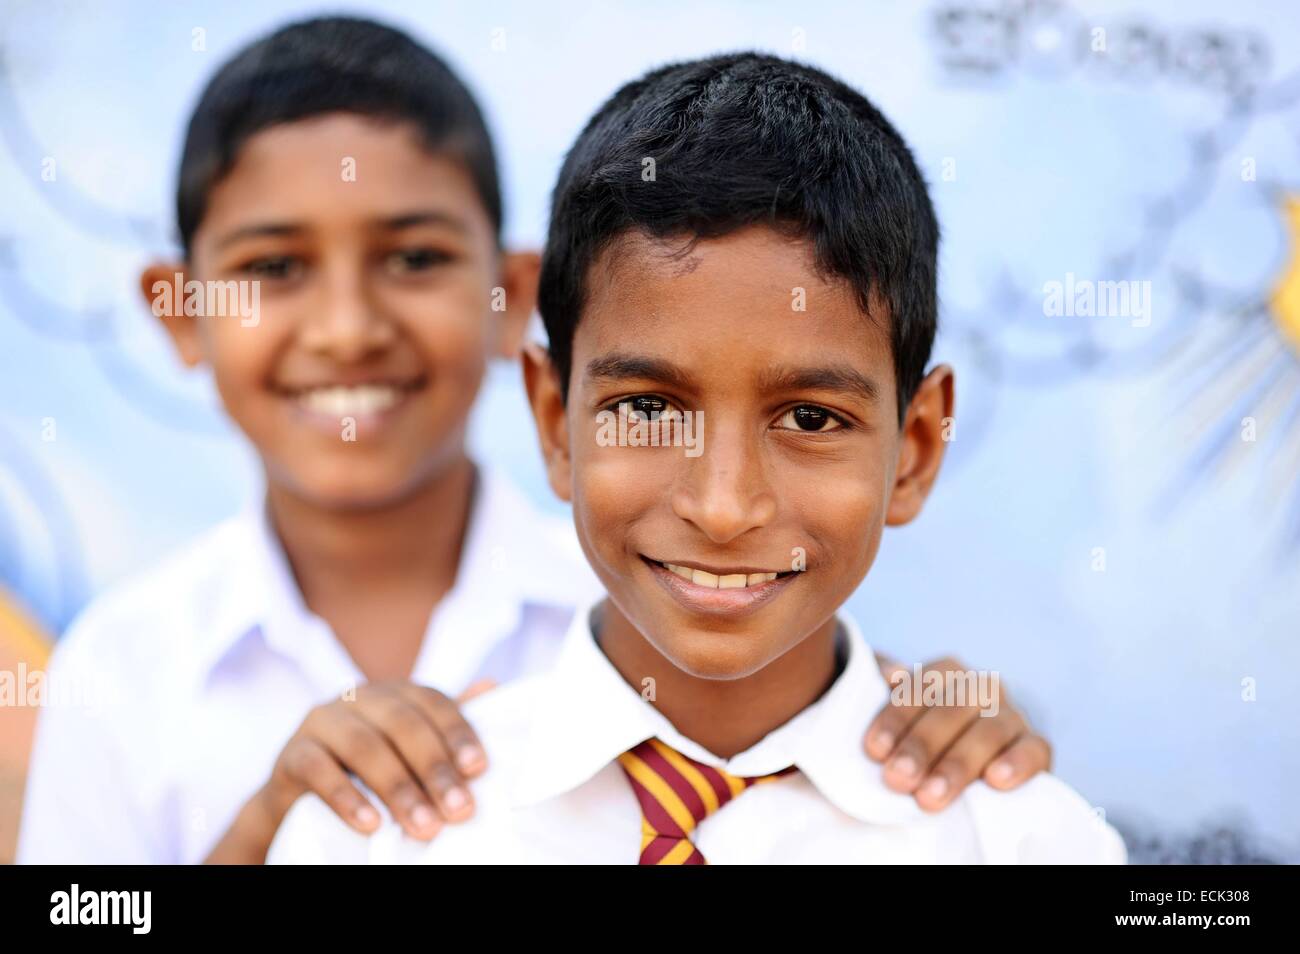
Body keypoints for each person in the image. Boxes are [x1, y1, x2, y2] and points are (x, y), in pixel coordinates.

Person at [20, 21, 1053, 865]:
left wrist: (934, 730)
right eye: (274, 268)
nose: (346, 327)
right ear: (181, 310)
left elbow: (828, 735)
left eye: (416, 257)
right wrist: (276, 828)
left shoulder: (664, 584)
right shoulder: (121, 669)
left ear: (508, 295)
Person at [269, 52, 1125, 864]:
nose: (722, 506)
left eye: (811, 418)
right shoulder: (373, 831)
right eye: (646, 408)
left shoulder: (1023, 842)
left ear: (915, 451)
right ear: (555, 422)